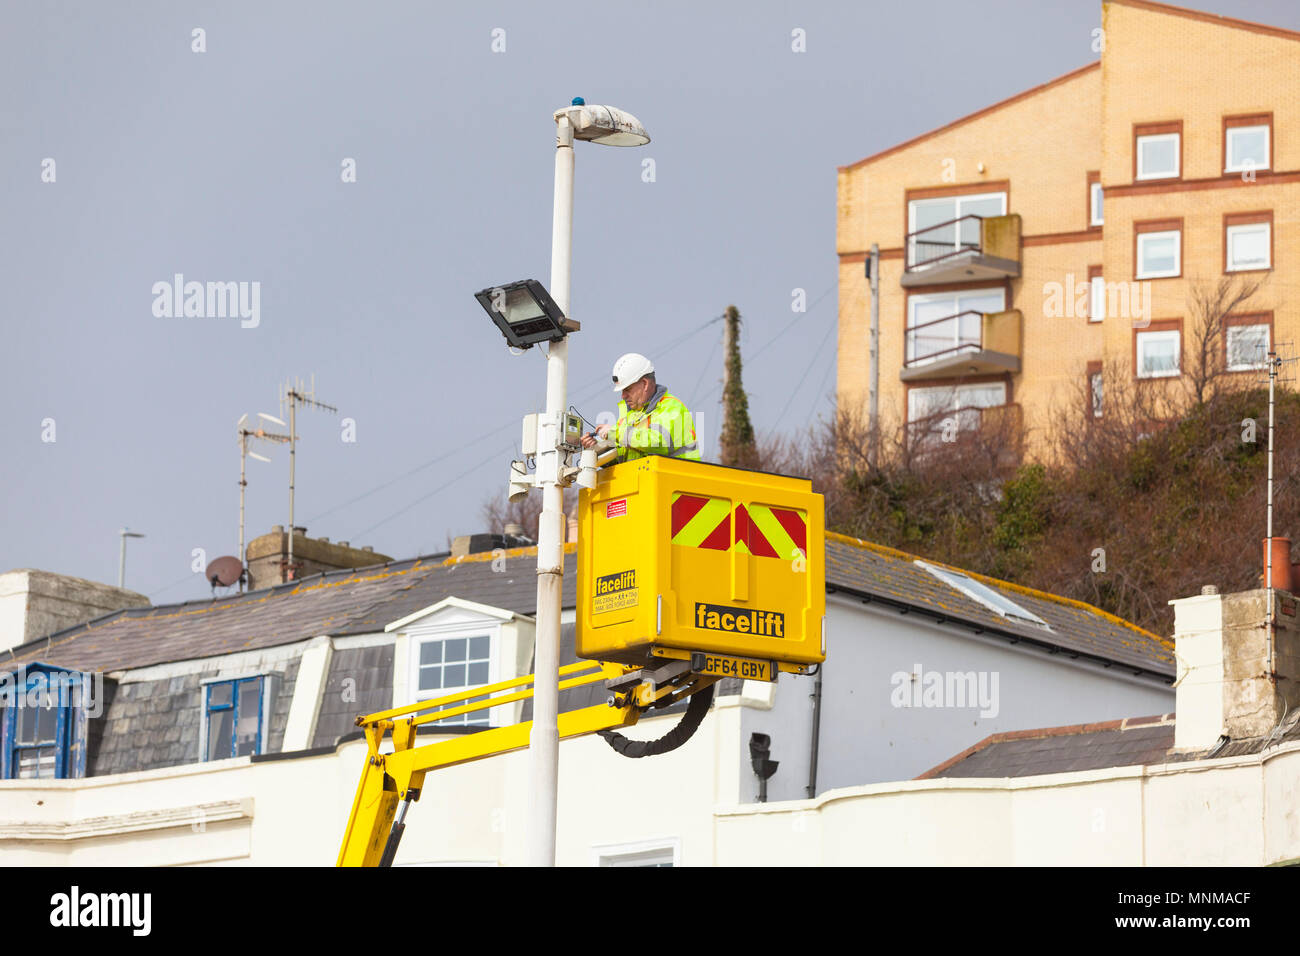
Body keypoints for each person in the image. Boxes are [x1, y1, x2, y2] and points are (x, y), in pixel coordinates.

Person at [580, 352, 701, 462]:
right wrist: (597, 449)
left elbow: (658, 442)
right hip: (644, 483)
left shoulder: (672, 407)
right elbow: (621, 461)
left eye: (627, 389)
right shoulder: (630, 417)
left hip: (675, 483)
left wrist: (614, 432)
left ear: (645, 384)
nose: (623, 396)